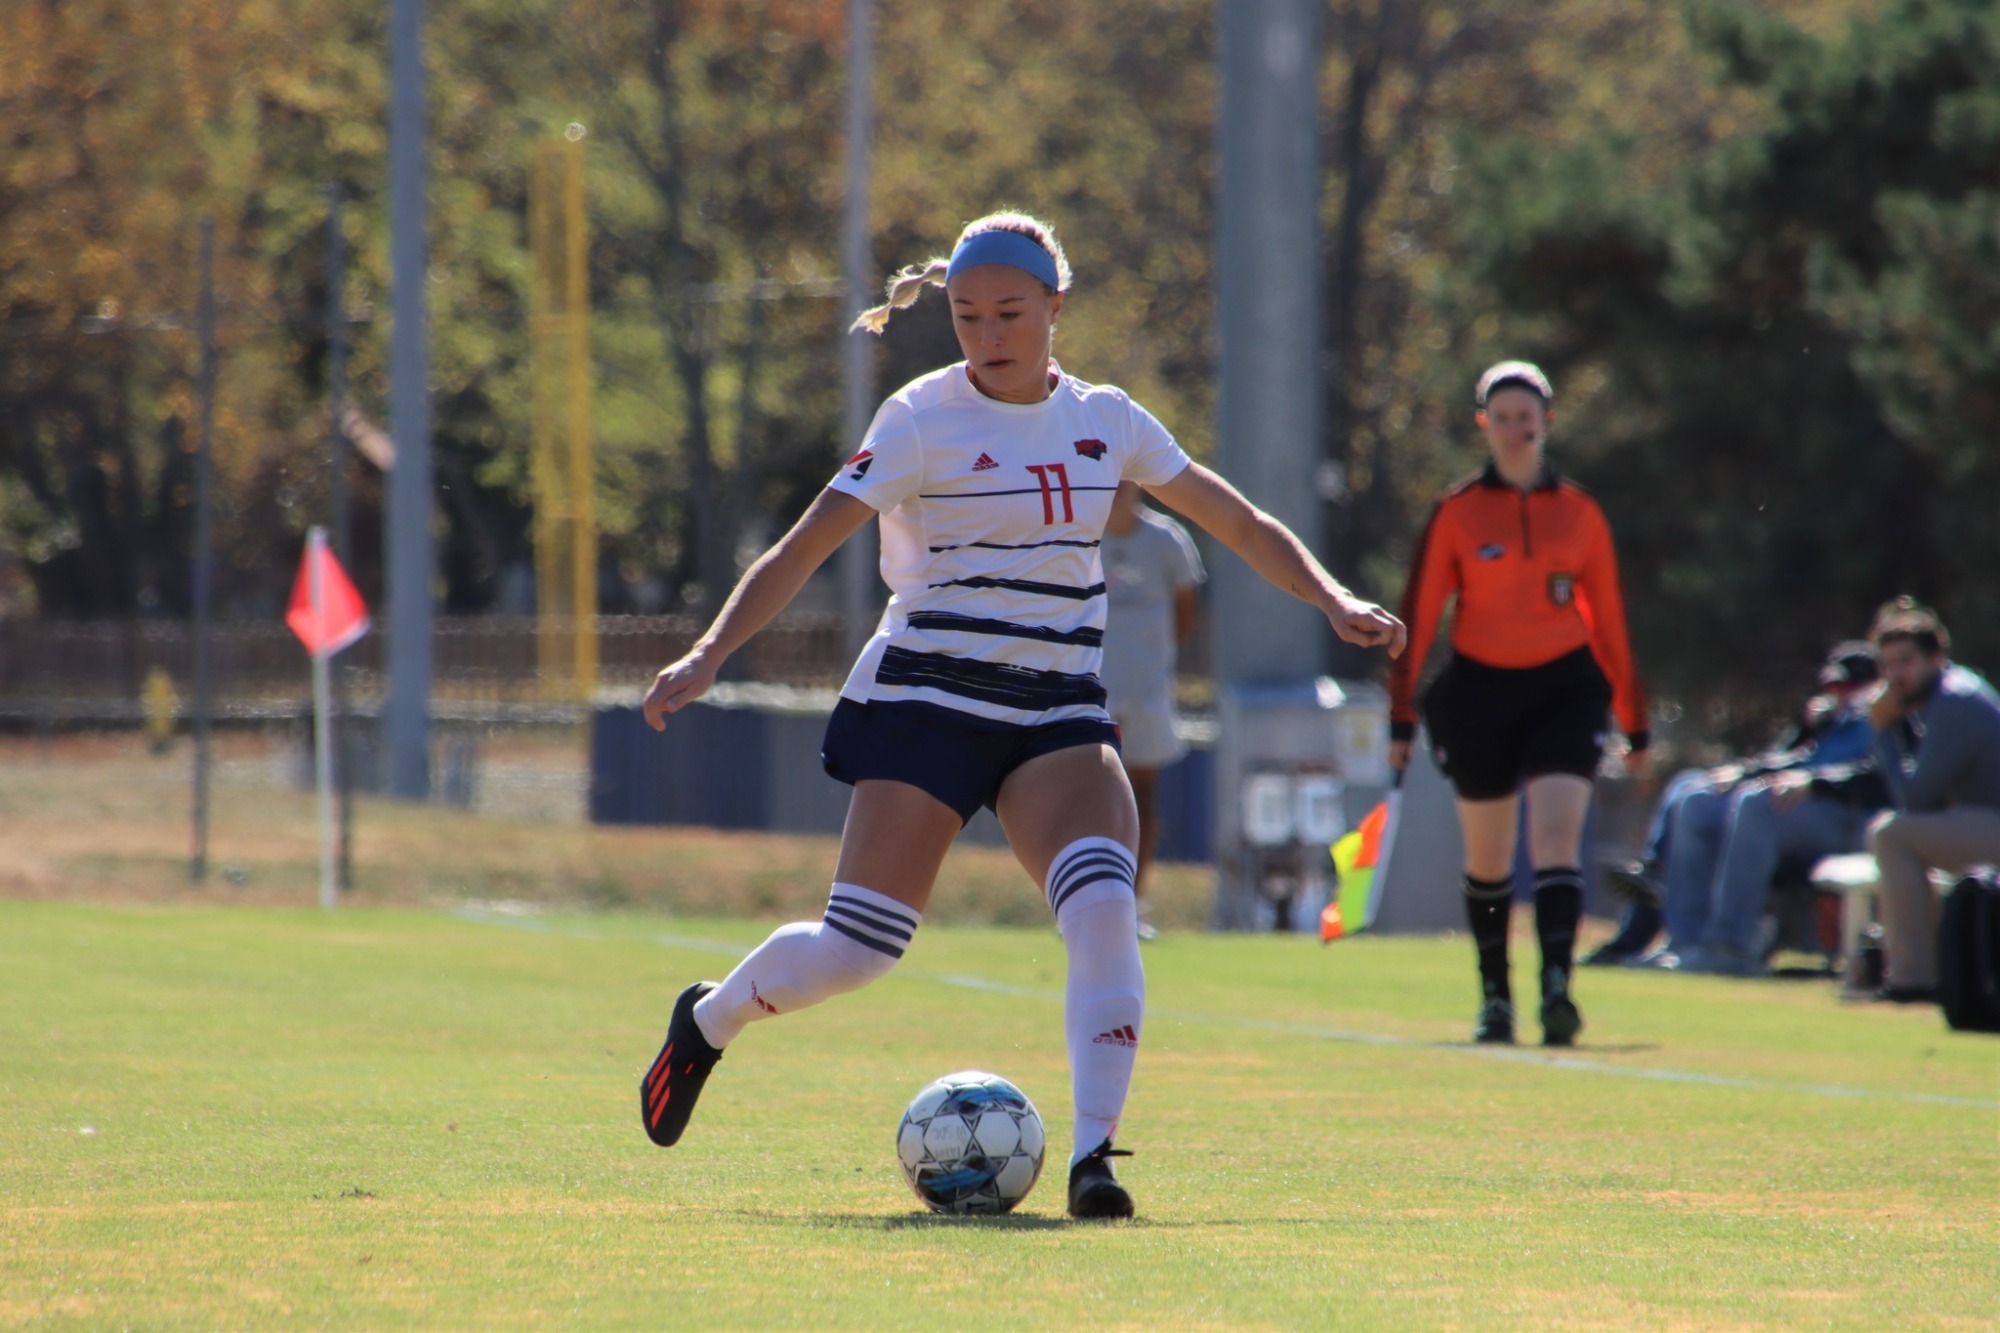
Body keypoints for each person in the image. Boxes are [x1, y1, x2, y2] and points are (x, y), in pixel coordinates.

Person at [635, 212, 1405, 1219]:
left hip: (1055, 709)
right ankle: (707, 1021)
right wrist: (708, 652)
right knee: (857, 949)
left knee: (1104, 909)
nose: (987, 334)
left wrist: (1334, 600)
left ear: (1054, 306)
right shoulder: (919, 417)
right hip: (928, 700)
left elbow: (1239, 520)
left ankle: (1094, 1159)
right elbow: (801, 545)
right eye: (966, 315)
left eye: (1008, 312)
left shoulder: (1107, 419)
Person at [1387, 360, 1648, 1047]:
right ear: (1484, 424)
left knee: (1557, 837)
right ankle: (1496, 999)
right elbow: (1419, 614)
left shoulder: (1580, 514)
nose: (1513, 429)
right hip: (1479, 693)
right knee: (1490, 856)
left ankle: (1558, 986)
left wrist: (1637, 720)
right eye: (1500, 417)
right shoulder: (1458, 511)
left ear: (1546, 421)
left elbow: (1610, 623)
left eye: (1524, 417)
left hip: (1565, 689)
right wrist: (1401, 715)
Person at [1585, 642, 1882, 965]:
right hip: (1795, 807)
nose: (1840, 694)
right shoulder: (1831, 724)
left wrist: (1816, 782)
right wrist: (1781, 749)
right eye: (1833, 686)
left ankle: (1728, 948)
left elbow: (1875, 775)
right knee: (1697, 796)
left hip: (1851, 816)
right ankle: (1684, 943)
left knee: (1754, 804)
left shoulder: (1882, 717)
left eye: (1850, 686)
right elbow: (1796, 759)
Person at [1858, 598, 2000, 1003]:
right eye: (1887, 665)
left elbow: (1915, 801)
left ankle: (1913, 978)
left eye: (1906, 661)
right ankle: (1932, 970)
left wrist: (1883, 728)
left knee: (1891, 834)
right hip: (1985, 821)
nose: (1895, 676)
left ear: (1936, 657)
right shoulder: (1948, 696)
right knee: (1899, 835)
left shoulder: (1954, 701)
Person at [1099, 480, 1206, 935]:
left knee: (1143, 796)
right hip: (1091, 688)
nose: (1117, 490)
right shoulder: (1081, 537)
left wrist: (1153, 661)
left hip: (1148, 689)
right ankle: (1089, 904)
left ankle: (1133, 904)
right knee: (1091, 797)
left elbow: (1186, 610)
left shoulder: (1167, 540)